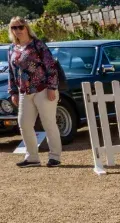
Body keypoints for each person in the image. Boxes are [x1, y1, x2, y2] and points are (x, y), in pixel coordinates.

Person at [6, 17, 62, 167]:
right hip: (24, 91)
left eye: (20, 27)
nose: (17, 30)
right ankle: (32, 158)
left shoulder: (38, 44)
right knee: (24, 123)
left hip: (43, 89)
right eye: (13, 28)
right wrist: (13, 92)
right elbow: (12, 72)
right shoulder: (12, 48)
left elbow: (51, 67)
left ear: (26, 28)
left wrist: (52, 87)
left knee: (49, 123)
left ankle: (55, 156)